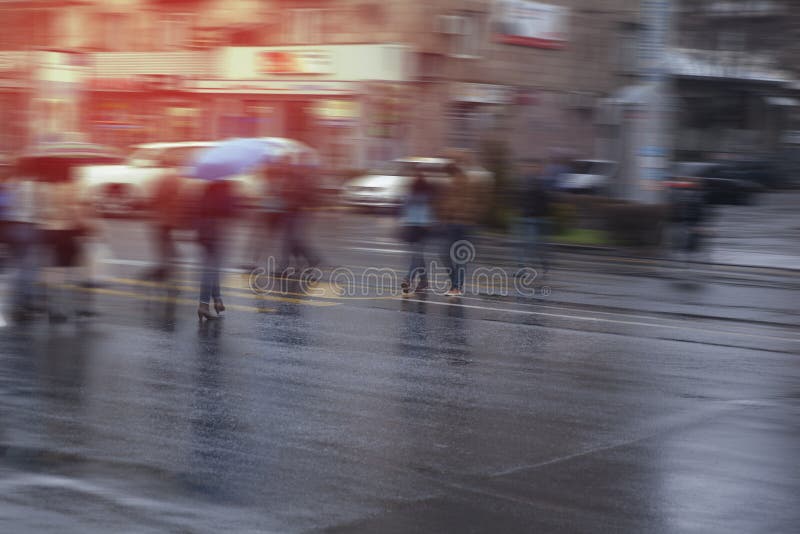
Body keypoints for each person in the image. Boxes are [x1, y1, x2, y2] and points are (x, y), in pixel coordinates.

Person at [436, 164, 485, 297]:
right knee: (456, 257)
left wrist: (445, 213)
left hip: (460, 223)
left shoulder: (460, 182)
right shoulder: (463, 181)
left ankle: (456, 287)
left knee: (449, 255)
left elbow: (454, 203)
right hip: (460, 223)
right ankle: (456, 286)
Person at [196, 178, 236, 320]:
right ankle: (204, 305)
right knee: (210, 270)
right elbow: (228, 210)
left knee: (212, 269)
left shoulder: (207, 189)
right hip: (215, 233)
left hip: (204, 233)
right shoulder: (223, 189)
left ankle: (217, 300)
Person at [279, 164, 320, 275]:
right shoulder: (288, 181)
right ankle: (285, 266)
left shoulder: (300, 181)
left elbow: (307, 198)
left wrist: (290, 196)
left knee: (294, 240)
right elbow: (284, 195)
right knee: (288, 241)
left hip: (298, 213)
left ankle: (311, 259)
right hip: (290, 212)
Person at [400, 172, 435, 295]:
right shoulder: (428, 197)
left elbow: (403, 210)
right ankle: (422, 281)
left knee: (416, 255)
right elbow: (431, 212)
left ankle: (410, 279)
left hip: (411, 227)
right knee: (418, 256)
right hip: (423, 228)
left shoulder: (409, 196)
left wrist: (403, 223)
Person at [515, 160, 550, 273]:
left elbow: (544, 201)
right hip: (529, 218)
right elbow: (523, 199)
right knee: (529, 244)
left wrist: (532, 211)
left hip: (534, 218)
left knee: (530, 245)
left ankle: (537, 264)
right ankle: (527, 267)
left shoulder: (538, 183)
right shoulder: (528, 182)